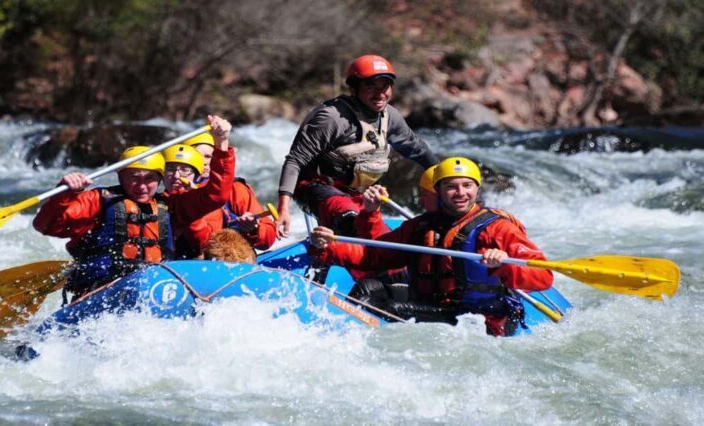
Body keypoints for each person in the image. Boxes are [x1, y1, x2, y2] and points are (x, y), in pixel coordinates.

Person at [310, 157, 553, 336]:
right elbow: (375, 255)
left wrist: (503, 266)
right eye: (451, 186)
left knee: (396, 308)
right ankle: (346, 341)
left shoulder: (497, 228)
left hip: (478, 319)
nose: (460, 193)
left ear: (477, 189)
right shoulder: (422, 226)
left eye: (467, 186)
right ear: (438, 191)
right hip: (433, 305)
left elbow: (543, 275)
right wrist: (330, 246)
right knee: (367, 288)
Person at [276, 54, 440, 238]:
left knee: (382, 242)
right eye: (370, 86)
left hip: (354, 193)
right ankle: (333, 253)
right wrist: (284, 208)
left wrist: (445, 178)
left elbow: (418, 150)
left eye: (384, 86)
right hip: (315, 187)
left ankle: (328, 258)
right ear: (354, 88)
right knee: (353, 227)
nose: (380, 94)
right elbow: (295, 161)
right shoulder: (332, 118)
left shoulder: (390, 116)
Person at [33, 146, 166, 302]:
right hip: (99, 293)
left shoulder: (168, 205)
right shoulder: (97, 201)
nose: (142, 186)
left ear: (160, 179)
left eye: (149, 178)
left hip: (153, 290)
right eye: (134, 177)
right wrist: (65, 195)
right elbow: (47, 226)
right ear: (120, 177)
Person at [185, 130, 277, 254]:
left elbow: (268, 238)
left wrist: (254, 229)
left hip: (233, 258)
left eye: (208, 156)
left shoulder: (235, 189)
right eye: (197, 156)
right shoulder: (174, 192)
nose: (204, 161)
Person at [160, 116, 237, 260]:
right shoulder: (155, 200)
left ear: (197, 174)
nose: (176, 176)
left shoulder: (193, 200)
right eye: (170, 169)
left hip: (197, 263)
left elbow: (218, 193)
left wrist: (222, 142)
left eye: (184, 170)